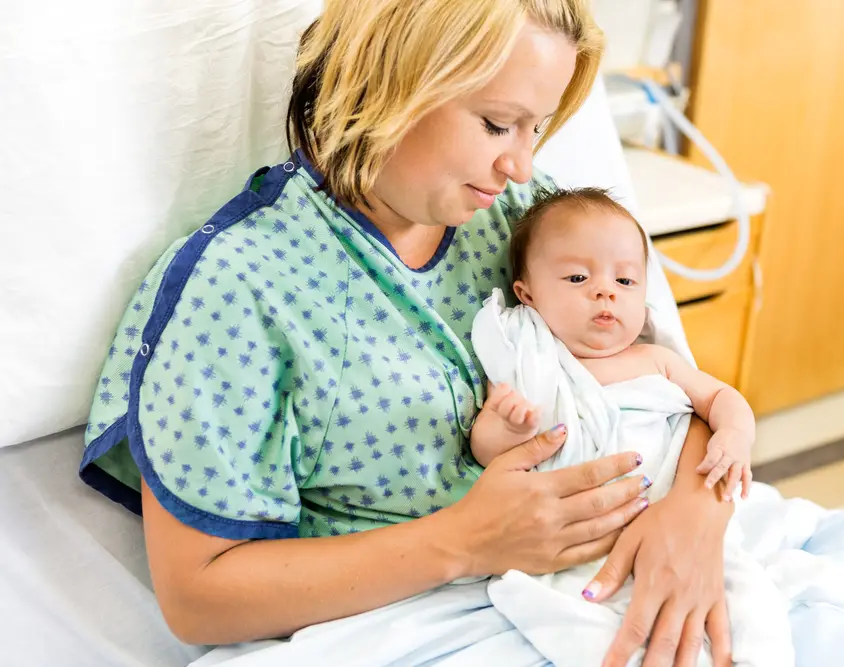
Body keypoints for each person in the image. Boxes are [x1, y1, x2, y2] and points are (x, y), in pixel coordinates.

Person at [78, 1, 735, 665]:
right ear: (390, 81)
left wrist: (695, 518)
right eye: (498, 124)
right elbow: (197, 597)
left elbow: (668, 382)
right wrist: (464, 541)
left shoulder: (522, 221)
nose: (522, 166)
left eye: (535, 129)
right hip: (421, 624)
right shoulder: (238, 286)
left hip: (618, 569)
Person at [470, 186, 754, 505]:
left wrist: (735, 435)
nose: (606, 291)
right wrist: (507, 427)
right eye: (578, 277)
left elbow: (721, 397)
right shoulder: (527, 357)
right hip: (573, 528)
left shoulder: (656, 360)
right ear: (528, 296)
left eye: (624, 281)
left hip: (664, 509)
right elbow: (485, 454)